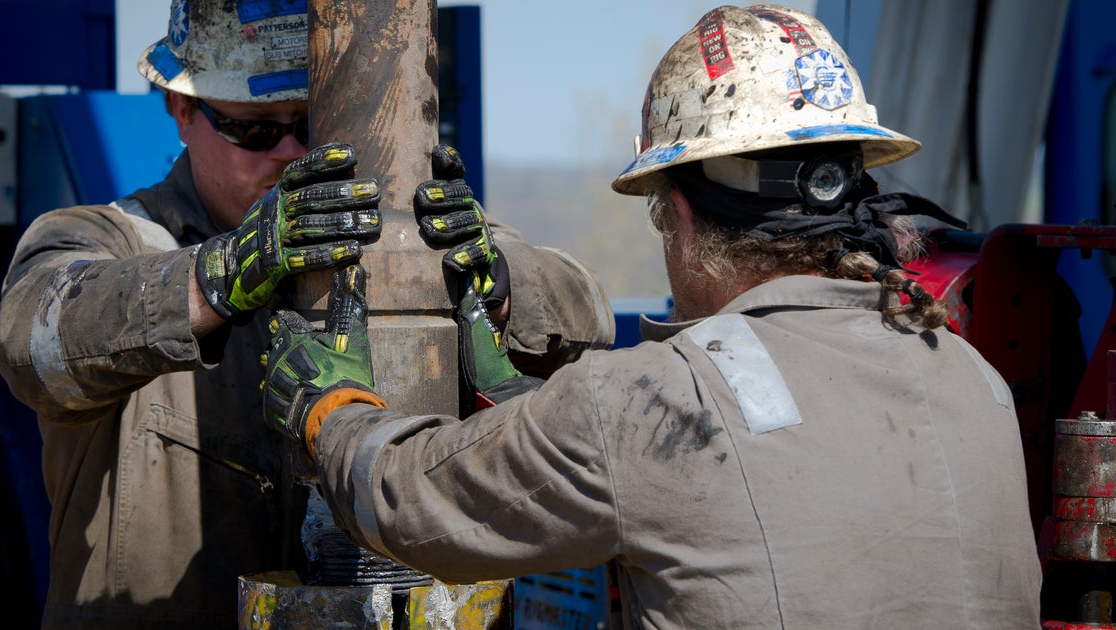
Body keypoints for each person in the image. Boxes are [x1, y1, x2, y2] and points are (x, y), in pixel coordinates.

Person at [259, 5, 1044, 628]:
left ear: (681, 216)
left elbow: (406, 501)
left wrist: (330, 412)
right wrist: (524, 408)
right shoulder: (974, 378)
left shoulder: (652, 404)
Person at [0, 1, 613, 627]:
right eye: (256, 130)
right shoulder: (113, 239)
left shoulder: (417, 241)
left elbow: (592, 320)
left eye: (311, 124)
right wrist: (219, 276)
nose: (289, 152)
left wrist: (502, 287)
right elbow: (29, 340)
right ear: (182, 108)